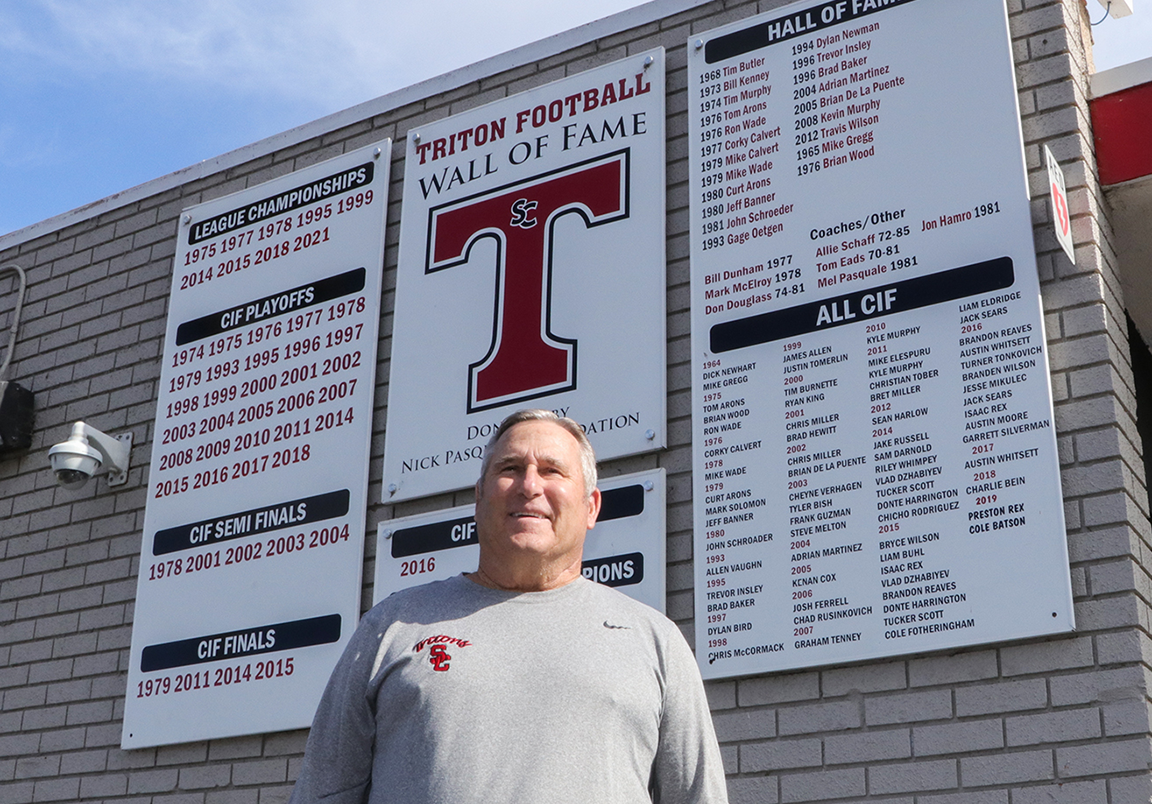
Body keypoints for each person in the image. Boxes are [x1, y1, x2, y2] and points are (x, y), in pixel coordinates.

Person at [289, 409, 728, 804]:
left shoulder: (654, 640)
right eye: (510, 468)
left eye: (552, 470)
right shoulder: (391, 627)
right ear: (479, 498)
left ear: (591, 507)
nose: (529, 485)